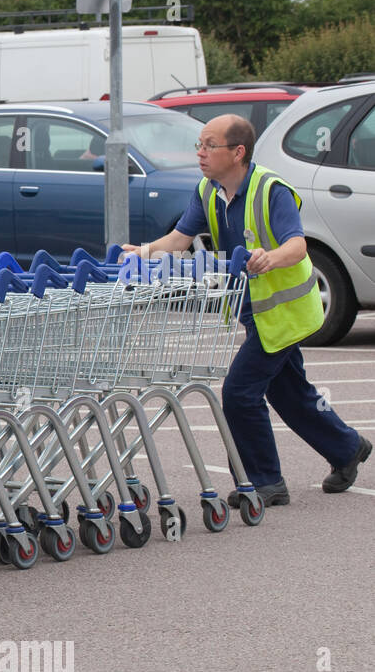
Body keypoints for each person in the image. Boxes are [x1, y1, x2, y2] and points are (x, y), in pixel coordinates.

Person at [121, 114, 370, 507]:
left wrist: (270, 258)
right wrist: (144, 252)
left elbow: (298, 246)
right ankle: (347, 447)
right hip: (256, 313)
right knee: (288, 392)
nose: (200, 153)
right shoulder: (208, 190)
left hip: (289, 314)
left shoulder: (271, 190)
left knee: (239, 392)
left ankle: (265, 482)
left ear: (237, 152)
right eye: (198, 145)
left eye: (209, 145)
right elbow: (180, 237)